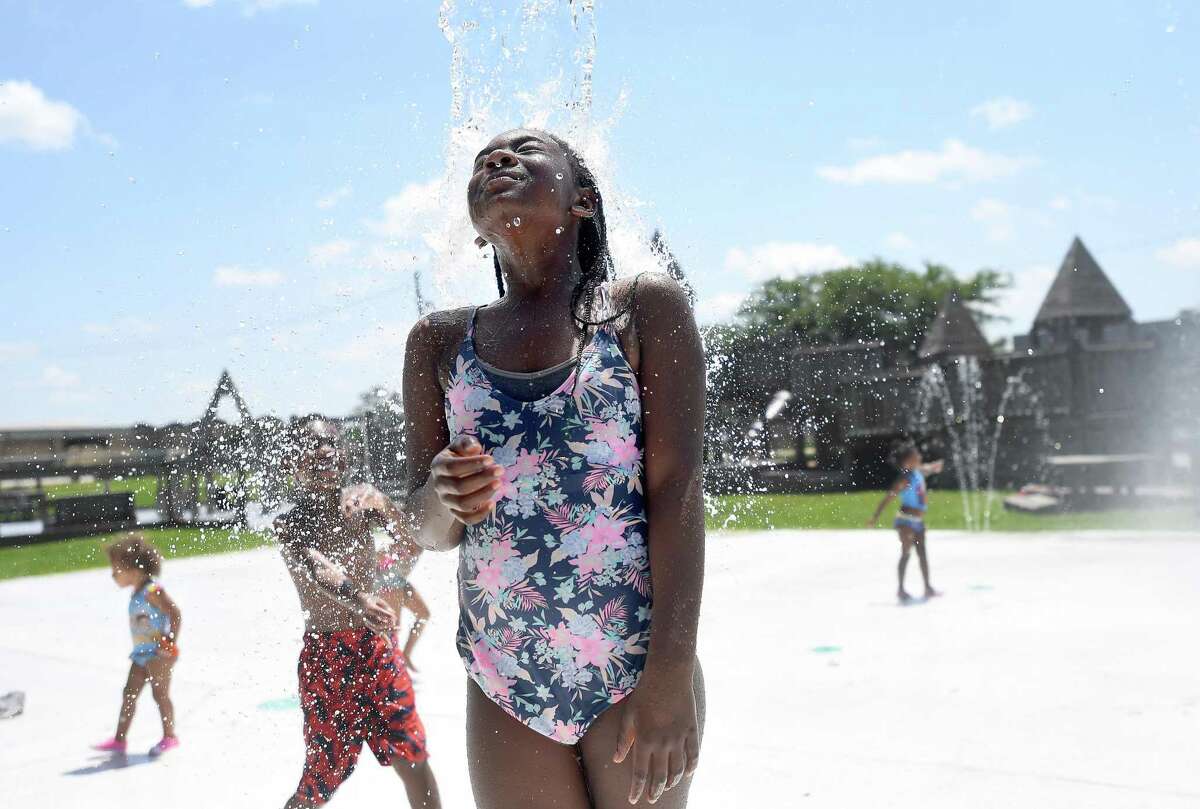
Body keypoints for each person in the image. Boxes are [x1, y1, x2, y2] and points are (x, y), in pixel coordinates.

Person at [401, 128, 706, 808]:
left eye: (526, 151)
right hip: (506, 674)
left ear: (582, 201)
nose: (496, 160)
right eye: (483, 161)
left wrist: (670, 675)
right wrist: (444, 494)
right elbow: (426, 529)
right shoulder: (439, 343)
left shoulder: (640, 312)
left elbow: (676, 490)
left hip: (633, 662)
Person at [275, 417, 441, 809]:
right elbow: (319, 569)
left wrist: (384, 505)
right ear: (292, 464)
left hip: (378, 650)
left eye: (331, 443)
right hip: (328, 659)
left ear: (345, 456)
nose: (324, 450)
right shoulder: (290, 522)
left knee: (412, 755)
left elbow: (414, 542)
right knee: (321, 778)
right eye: (310, 445)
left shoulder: (364, 505)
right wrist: (360, 598)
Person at [93, 533, 181, 757]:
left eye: (116, 569)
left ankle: (170, 737)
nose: (113, 575)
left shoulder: (152, 590)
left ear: (134, 570)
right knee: (129, 694)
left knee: (160, 695)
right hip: (141, 653)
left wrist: (170, 641)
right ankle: (119, 740)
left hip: (158, 653)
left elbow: (175, 613)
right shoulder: (137, 592)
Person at [868, 441, 945, 602]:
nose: (919, 456)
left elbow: (926, 468)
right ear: (907, 461)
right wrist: (875, 517)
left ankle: (927, 587)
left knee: (922, 553)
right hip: (905, 521)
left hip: (918, 520)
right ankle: (901, 589)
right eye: (916, 455)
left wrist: (935, 466)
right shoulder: (904, 479)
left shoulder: (917, 472)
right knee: (906, 553)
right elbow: (888, 498)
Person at [376, 540, 432, 671]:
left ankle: (405, 655)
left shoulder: (421, 536)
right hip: (387, 583)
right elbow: (378, 555)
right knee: (392, 627)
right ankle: (385, 666)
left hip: (399, 581)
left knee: (423, 615)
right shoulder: (404, 535)